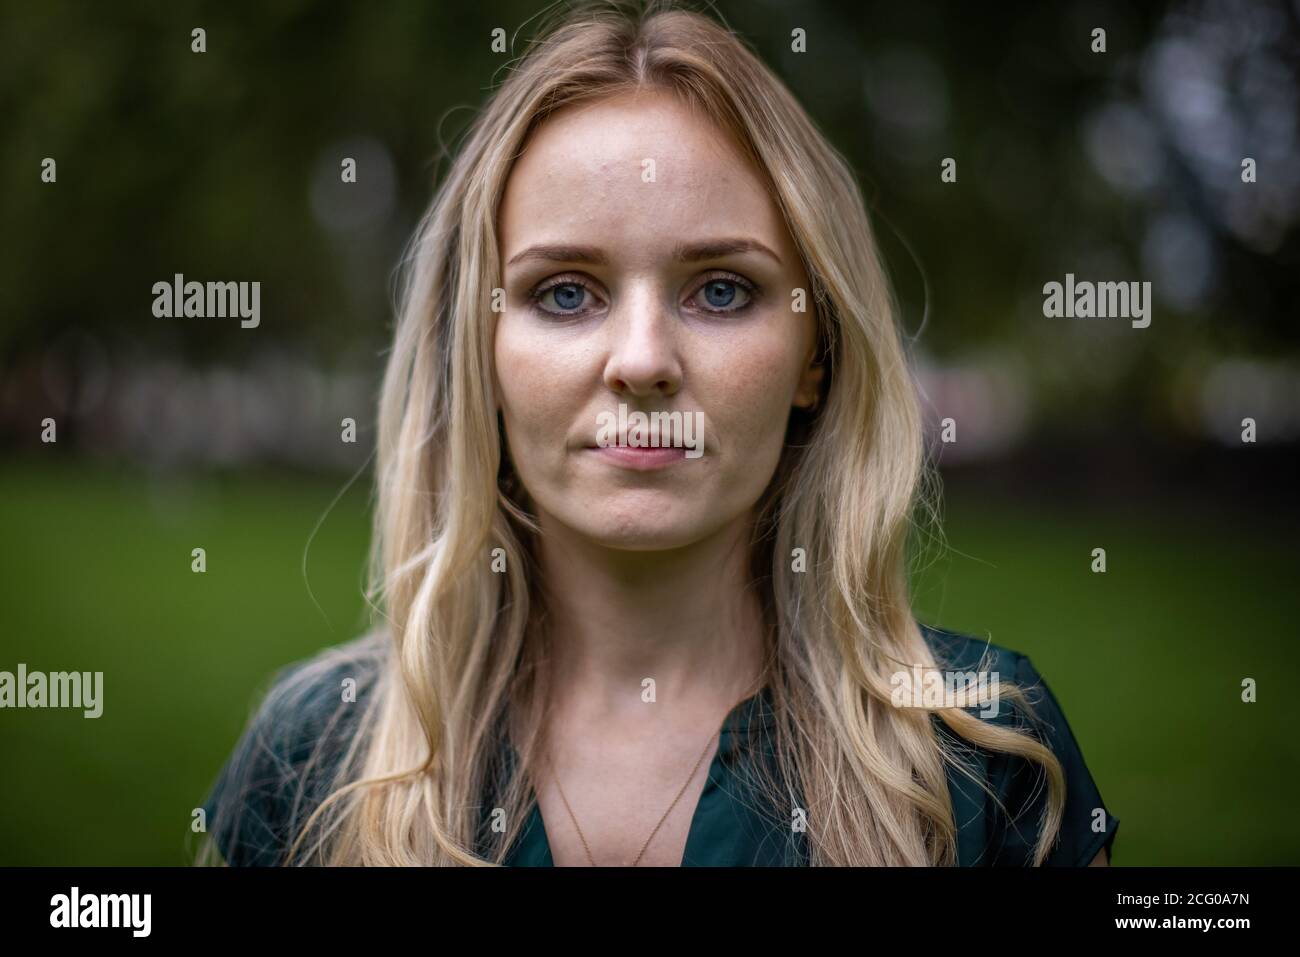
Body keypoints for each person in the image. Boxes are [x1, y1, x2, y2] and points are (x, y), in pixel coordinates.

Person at [199, 0, 1119, 867]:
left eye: (721, 289)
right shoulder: (311, 757)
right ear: (478, 352)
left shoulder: (987, 756)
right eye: (565, 292)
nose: (641, 360)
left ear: (817, 354)